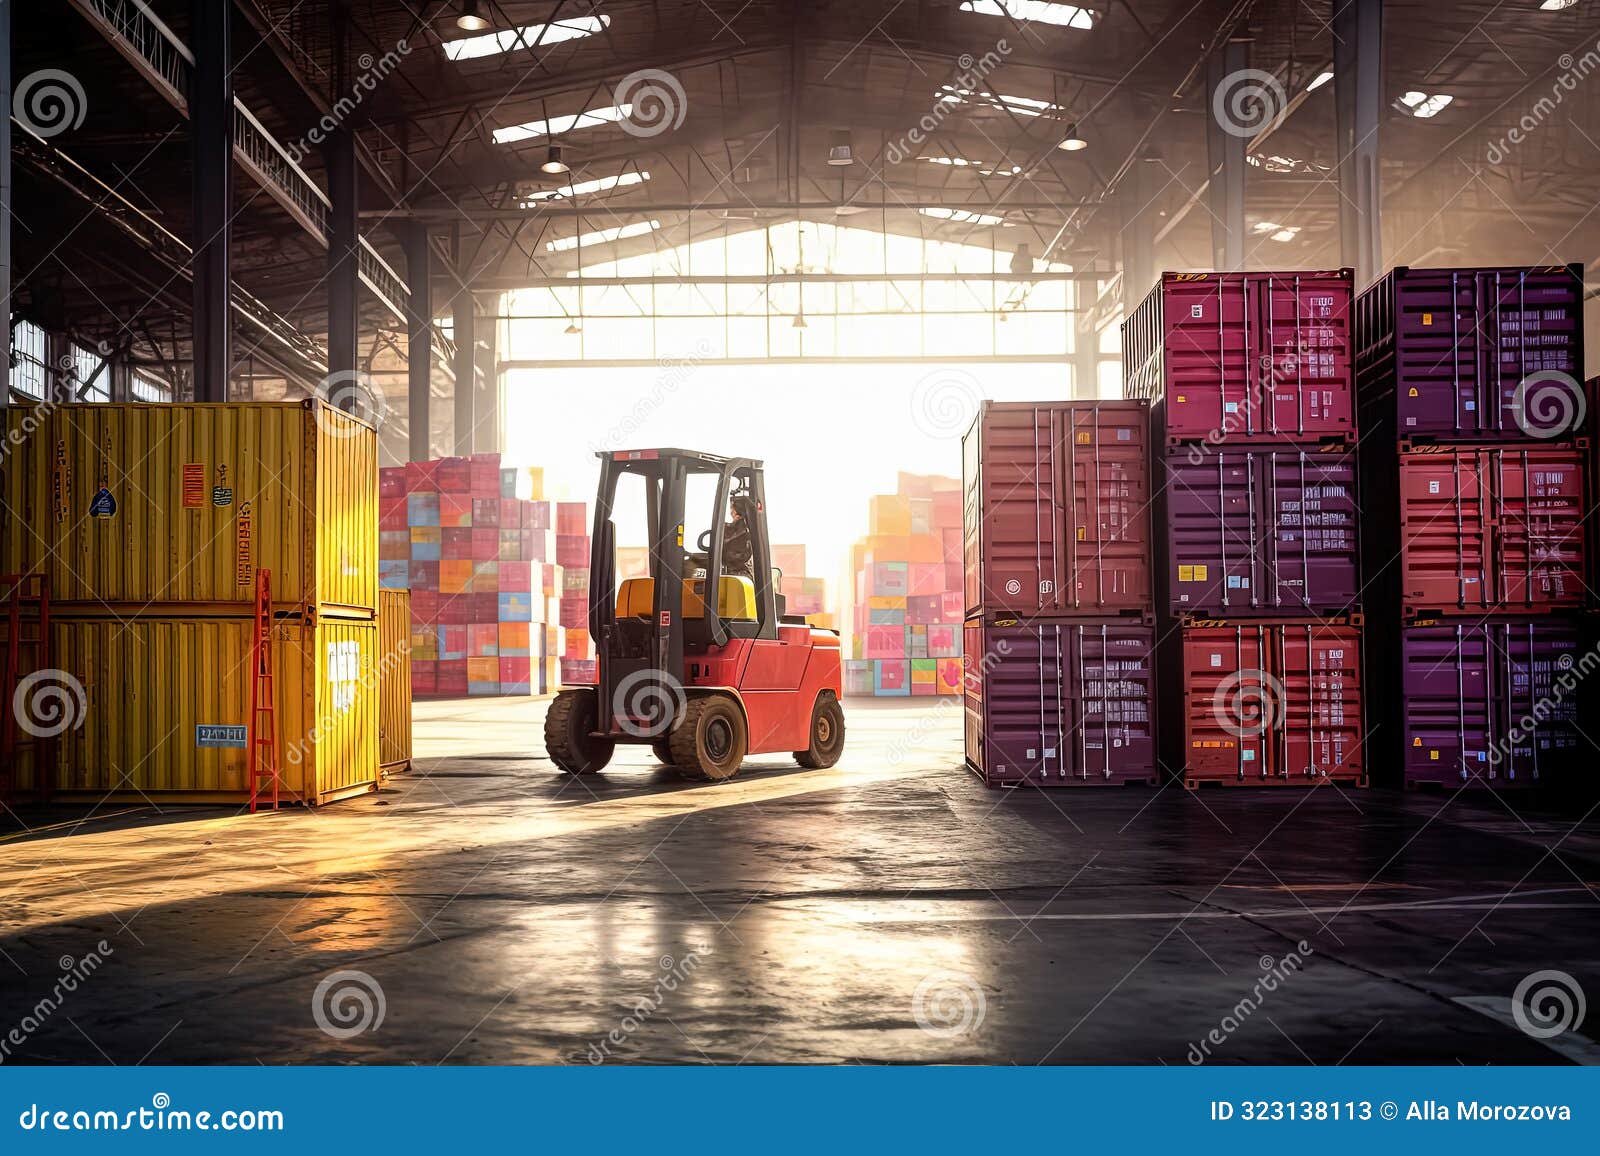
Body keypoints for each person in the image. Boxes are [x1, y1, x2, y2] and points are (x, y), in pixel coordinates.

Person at [721, 494, 756, 578]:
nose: (731, 512)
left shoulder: (739, 529)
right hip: (739, 573)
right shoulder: (746, 527)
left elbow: (729, 554)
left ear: (736, 511)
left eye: (731, 508)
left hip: (736, 574)